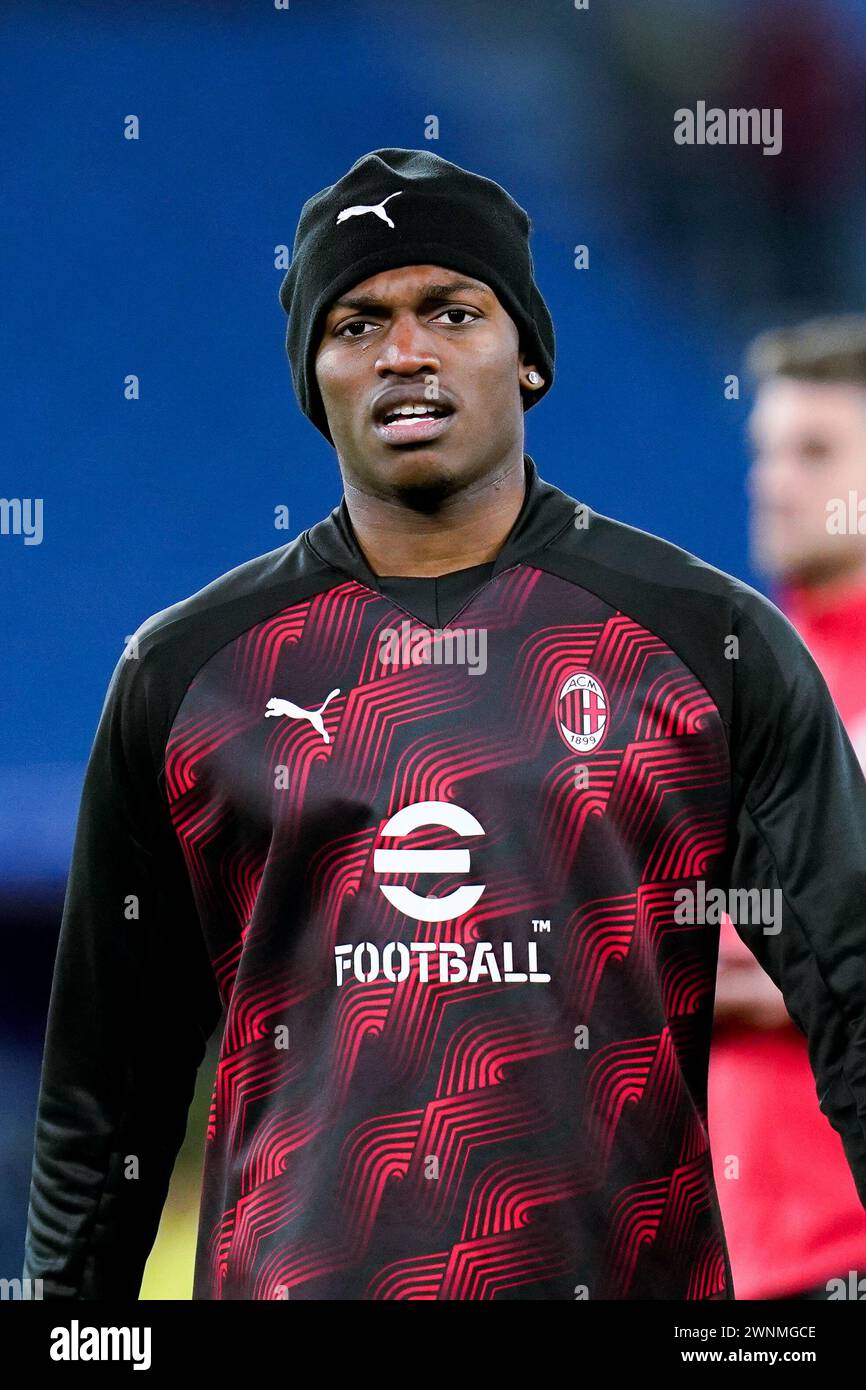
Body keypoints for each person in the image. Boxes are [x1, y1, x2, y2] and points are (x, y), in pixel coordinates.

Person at [22, 149, 866, 1301]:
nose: (404, 352)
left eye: (451, 311)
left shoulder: (708, 643)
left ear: (528, 357)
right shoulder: (183, 673)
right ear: (313, 376)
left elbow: (854, 993)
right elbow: (104, 1091)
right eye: (356, 323)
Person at [709, 316, 866, 1300]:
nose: (772, 480)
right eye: (764, 450)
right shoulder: (737, 679)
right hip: (741, 1256)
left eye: (814, 452)